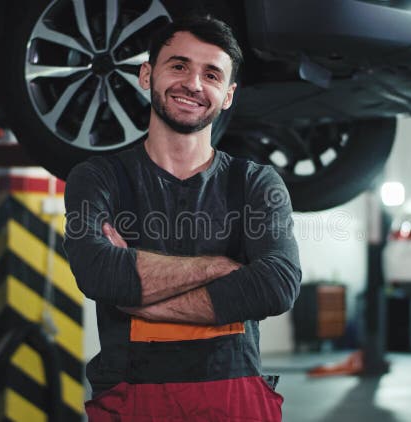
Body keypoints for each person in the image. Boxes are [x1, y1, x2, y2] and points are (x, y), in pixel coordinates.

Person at [63, 16, 301, 421]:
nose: (193, 84)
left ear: (227, 95)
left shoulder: (255, 182)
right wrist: (222, 267)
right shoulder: (99, 179)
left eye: (211, 74)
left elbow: (277, 285)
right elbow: (99, 274)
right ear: (146, 74)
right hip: (134, 400)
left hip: (234, 402)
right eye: (179, 66)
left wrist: (142, 301)